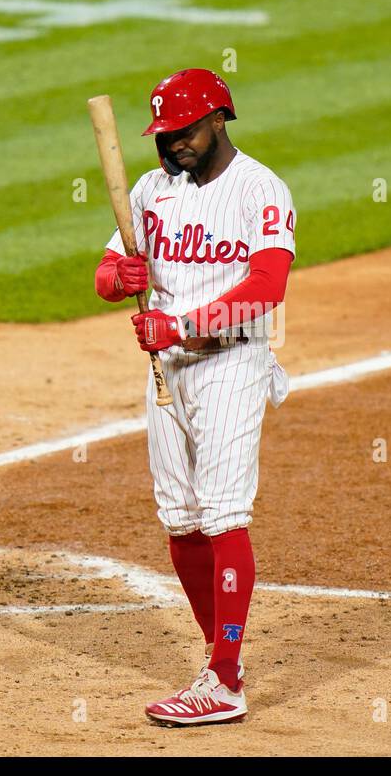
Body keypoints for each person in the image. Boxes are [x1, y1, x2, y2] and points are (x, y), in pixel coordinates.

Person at [94, 68, 295, 725]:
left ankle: (226, 681)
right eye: (162, 134)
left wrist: (178, 325)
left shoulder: (259, 190)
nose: (171, 144)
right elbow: (105, 273)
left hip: (231, 364)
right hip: (167, 370)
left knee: (223, 514)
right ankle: (217, 655)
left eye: (183, 132)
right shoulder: (152, 191)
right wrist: (116, 276)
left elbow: (266, 290)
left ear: (218, 120)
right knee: (179, 515)